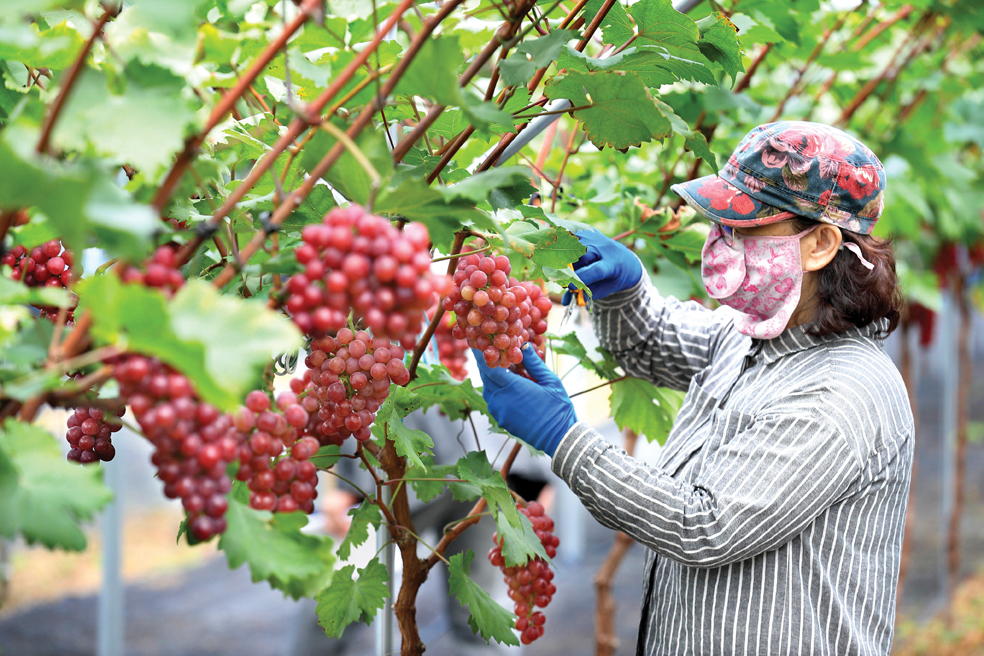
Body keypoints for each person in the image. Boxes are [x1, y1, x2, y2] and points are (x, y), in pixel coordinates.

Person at [474, 121, 913, 656]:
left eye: (744, 228)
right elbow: (654, 342)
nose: (720, 242)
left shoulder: (842, 393)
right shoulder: (760, 332)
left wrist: (564, 439)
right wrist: (626, 287)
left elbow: (704, 524)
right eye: (719, 223)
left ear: (821, 243)